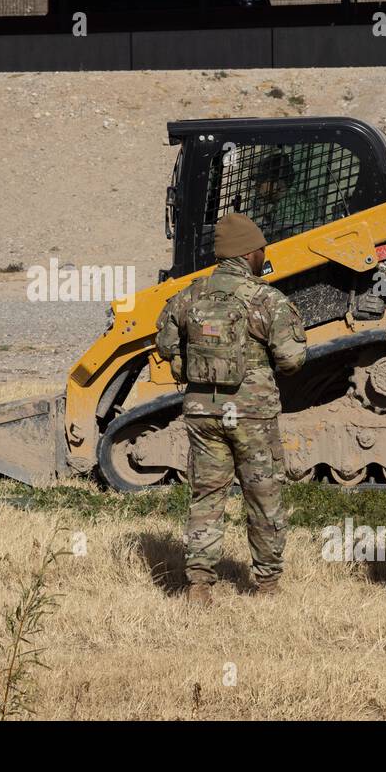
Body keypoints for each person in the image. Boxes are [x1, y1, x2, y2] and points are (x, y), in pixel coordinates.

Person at [154, 212, 307, 607]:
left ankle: (199, 585)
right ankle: (268, 584)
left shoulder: (190, 295)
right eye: (261, 250)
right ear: (250, 253)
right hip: (252, 414)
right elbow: (292, 360)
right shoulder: (265, 299)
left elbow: (166, 344)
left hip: (203, 412)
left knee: (207, 494)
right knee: (263, 494)